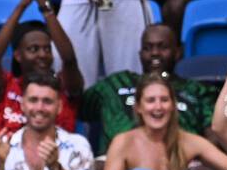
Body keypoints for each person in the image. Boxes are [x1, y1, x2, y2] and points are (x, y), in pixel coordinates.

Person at [0, 0, 84, 138]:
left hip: (57, 161)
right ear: (18, 55)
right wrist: (23, 4)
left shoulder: (63, 86)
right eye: (33, 49)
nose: (42, 55)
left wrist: (44, 6)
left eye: (47, 49)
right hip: (10, 163)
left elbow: (68, 59)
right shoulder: (6, 87)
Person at [81, 24, 216, 157]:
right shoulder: (115, 83)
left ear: (178, 52)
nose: (155, 53)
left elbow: (216, 134)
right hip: (113, 164)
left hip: (179, 164)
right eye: (147, 48)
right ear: (140, 54)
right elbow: (74, 103)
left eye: (162, 47)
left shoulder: (198, 91)